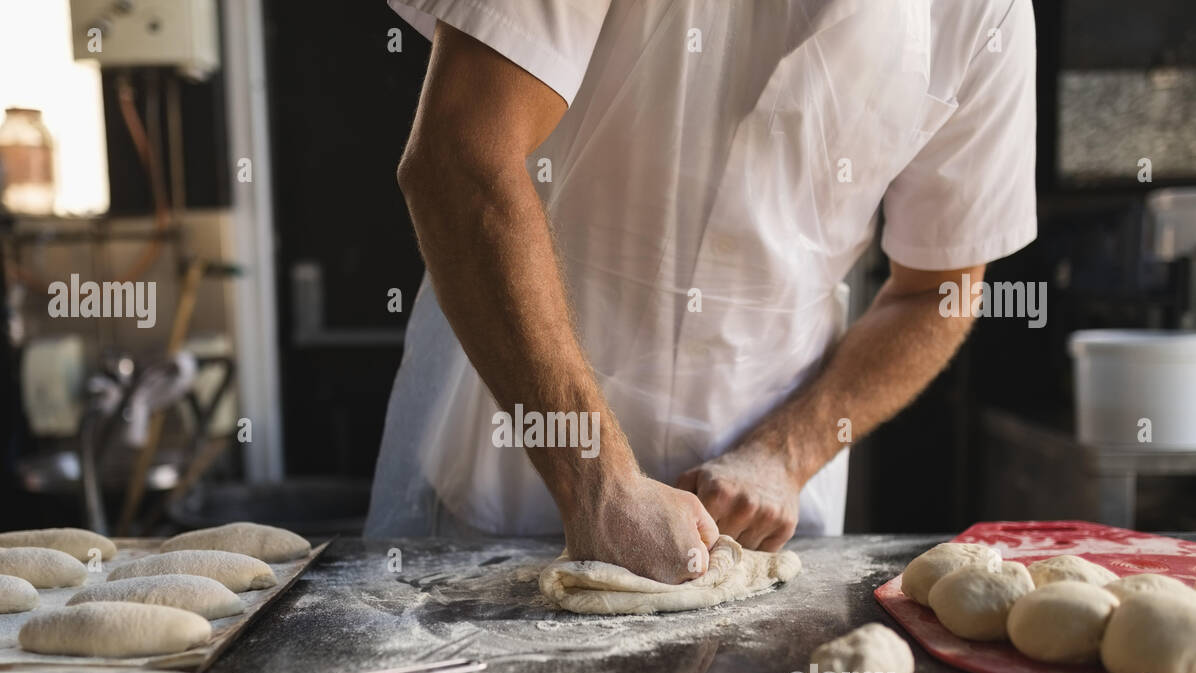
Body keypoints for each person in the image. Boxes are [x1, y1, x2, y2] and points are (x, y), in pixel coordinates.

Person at [366, 0, 1037, 585]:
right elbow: (461, 157)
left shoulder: (986, 13)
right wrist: (599, 484)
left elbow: (937, 292)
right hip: (512, 484)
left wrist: (785, 452)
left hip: (756, 528)